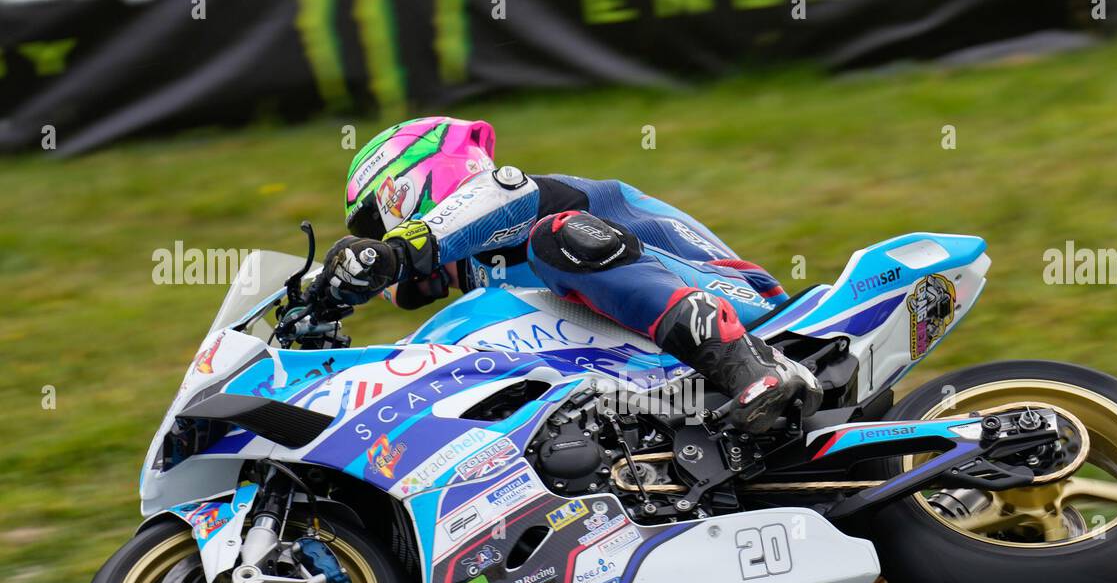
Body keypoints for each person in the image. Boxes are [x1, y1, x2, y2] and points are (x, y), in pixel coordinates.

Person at [310, 116, 820, 432]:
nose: (382, 237)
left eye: (380, 222)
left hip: (745, 304)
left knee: (555, 238)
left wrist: (397, 250)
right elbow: (402, 296)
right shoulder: (472, 266)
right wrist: (315, 308)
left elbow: (492, 206)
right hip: (655, 359)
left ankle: (752, 368)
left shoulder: (524, 199)